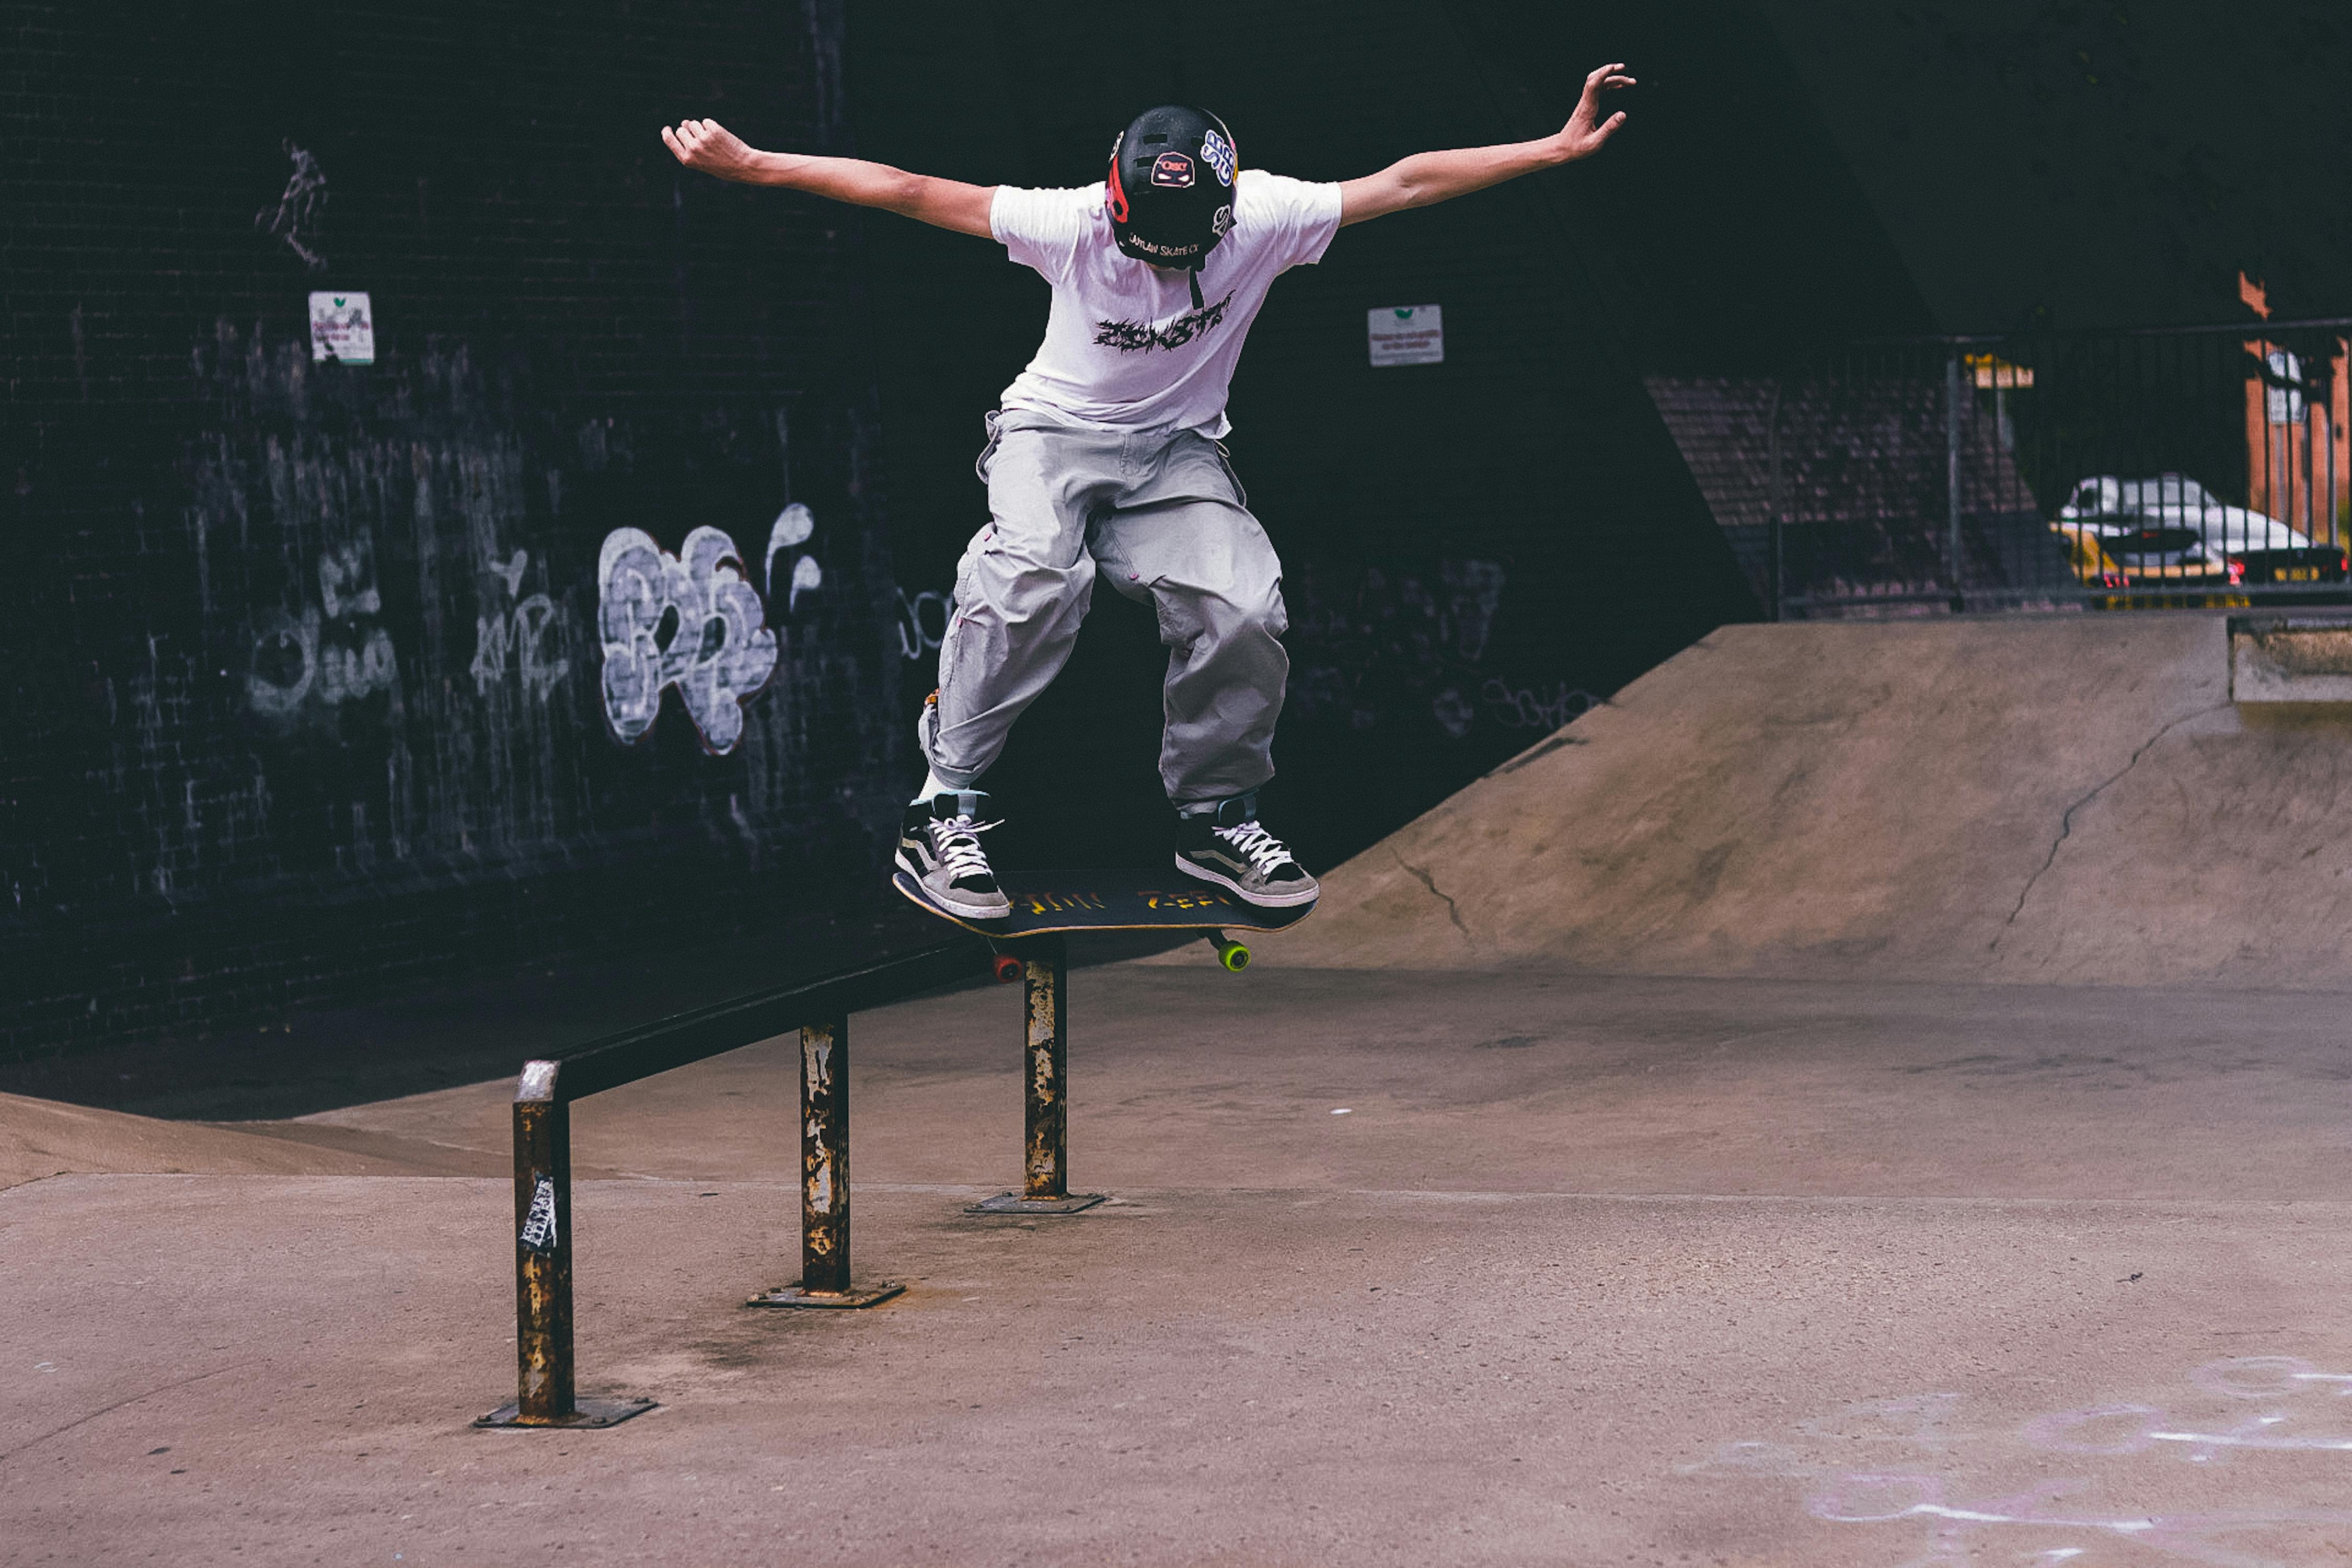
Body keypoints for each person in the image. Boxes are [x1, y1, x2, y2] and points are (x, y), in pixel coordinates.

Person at [663, 63, 1634, 919]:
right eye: (1146, 251)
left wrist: (1550, 149)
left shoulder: (1269, 214)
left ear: (1223, 214)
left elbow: (1407, 180)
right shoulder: (1070, 222)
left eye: (1183, 255)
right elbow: (908, 189)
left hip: (1175, 453)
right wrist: (755, 166)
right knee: (1038, 577)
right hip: (1050, 434)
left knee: (1245, 606)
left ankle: (1215, 816)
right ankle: (943, 803)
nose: (1162, 272)